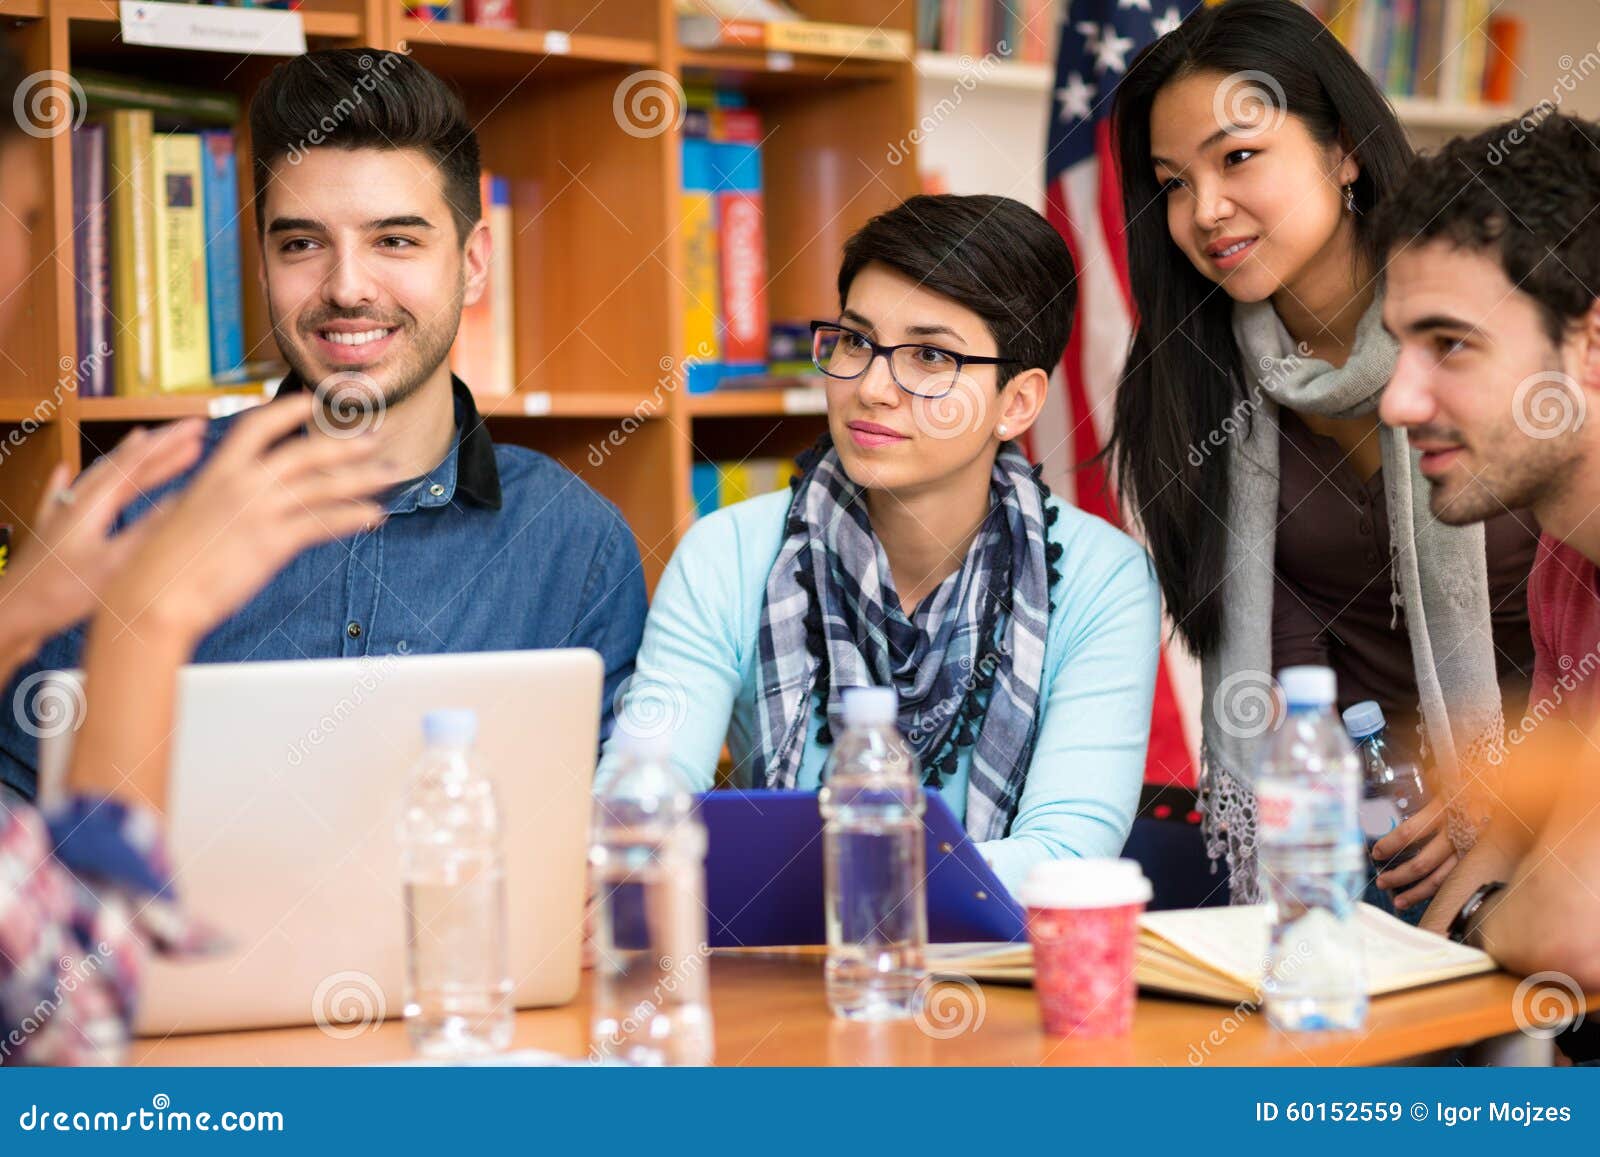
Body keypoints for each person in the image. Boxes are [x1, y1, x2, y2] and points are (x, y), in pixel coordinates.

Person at [0, 48, 648, 799]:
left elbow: (609, 839)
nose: (345, 286)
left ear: (473, 263)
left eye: (395, 240)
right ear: (263, 262)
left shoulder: (578, 545)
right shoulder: (135, 512)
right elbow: (21, 818)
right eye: (302, 244)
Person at [1104, 0, 1539, 908]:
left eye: (1237, 157)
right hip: (1371, 822)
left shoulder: (1498, 321)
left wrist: (1510, 795)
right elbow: (1286, 675)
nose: (1205, 210)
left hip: (1563, 794)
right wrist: (1365, 812)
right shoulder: (1192, 380)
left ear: (1342, 148)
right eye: (1172, 182)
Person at [606, 193, 1162, 895]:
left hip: (999, 981)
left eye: (929, 356)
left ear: (1016, 402)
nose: (871, 387)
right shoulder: (727, 553)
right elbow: (636, 810)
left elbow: (1066, 858)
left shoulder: (1102, 577)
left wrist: (833, 876)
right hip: (783, 975)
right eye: (855, 341)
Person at [1372, 110, 1600, 946]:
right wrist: (1468, 933)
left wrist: (1480, 922)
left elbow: (1578, 925)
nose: (1397, 401)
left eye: (1451, 344)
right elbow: (1514, 831)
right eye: (1401, 345)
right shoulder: (1564, 553)